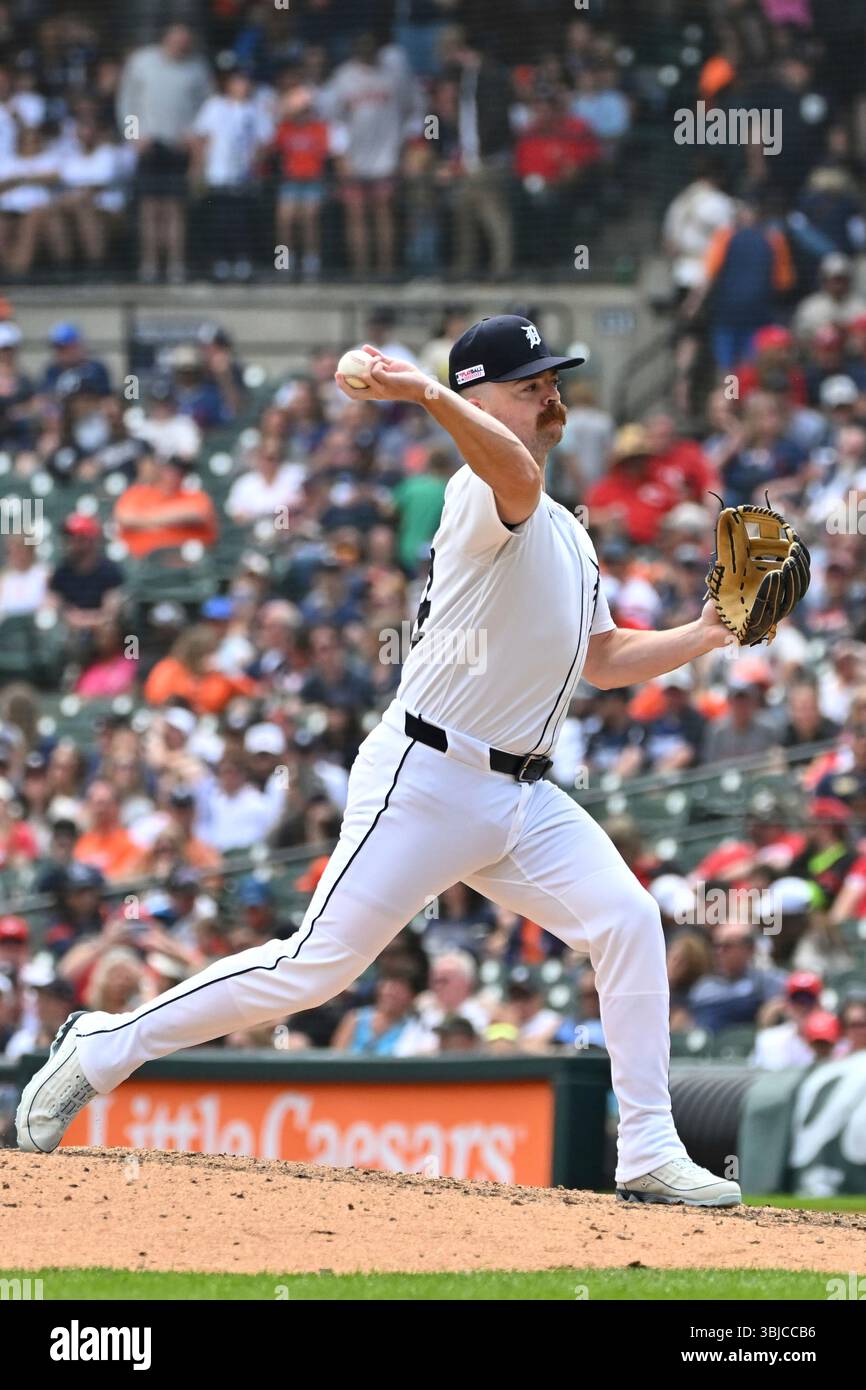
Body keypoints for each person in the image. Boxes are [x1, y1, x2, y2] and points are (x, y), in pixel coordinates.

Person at [19, 314, 760, 1208]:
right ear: (478, 395)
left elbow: (601, 659)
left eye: (552, 381)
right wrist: (423, 394)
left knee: (629, 921)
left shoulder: (569, 530)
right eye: (529, 385)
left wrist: (706, 634)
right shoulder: (477, 493)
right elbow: (511, 470)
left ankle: (646, 1150)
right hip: (428, 777)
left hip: (521, 797)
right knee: (313, 970)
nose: (551, 395)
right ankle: (103, 1044)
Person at [117, 24, 212, 282]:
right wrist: (134, 137)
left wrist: (195, 136)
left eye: (186, 44)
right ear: (165, 40)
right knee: (149, 210)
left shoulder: (197, 68)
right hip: (149, 146)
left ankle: (175, 267)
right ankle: (149, 266)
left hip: (179, 147)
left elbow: (206, 106)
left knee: (175, 210)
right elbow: (127, 103)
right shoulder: (140, 62)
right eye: (177, 42)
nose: (181, 47)